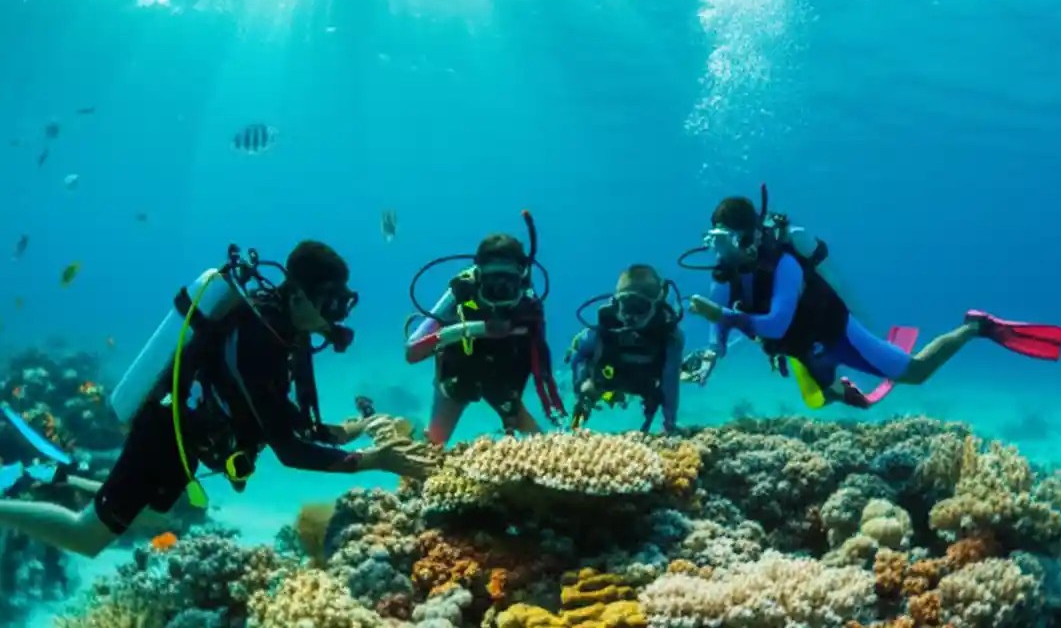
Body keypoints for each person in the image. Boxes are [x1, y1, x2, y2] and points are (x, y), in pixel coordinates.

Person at [0, 240, 431, 557]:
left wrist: (360, 428)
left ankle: (60, 478)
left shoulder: (290, 333)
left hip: (194, 441)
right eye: (329, 303)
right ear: (298, 294)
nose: (335, 315)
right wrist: (378, 460)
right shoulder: (261, 339)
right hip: (165, 436)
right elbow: (289, 450)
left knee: (156, 517)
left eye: (343, 303)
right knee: (87, 536)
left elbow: (299, 423)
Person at [679, 189, 1061, 408]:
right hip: (801, 349)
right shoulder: (723, 272)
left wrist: (725, 316)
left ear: (748, 237)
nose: (720, 251)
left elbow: (776, 321)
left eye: (727, 241)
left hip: (835, 333)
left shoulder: (784, 265)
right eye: (715, 241)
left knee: (916, 374)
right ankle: (840, 386)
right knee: (841, 401)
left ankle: (975, 326)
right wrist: (713, 353)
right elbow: (719, 325)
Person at [405, 219, 566, 446]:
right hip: (457, 373)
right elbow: (412, 351)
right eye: (492, 281)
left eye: (508, 282)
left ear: (521, 279)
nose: (500, 289)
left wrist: (552, 415)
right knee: (433, 445)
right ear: (479, 277)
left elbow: (541, 367)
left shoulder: (529, 304)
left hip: (503, 378)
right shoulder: (462, 291)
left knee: (539, 443)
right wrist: (476, 329)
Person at [566, 265, 686, 433]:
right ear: (616, 305)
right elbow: (580, 357)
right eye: (626, 308)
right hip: (608, 379)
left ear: (657, 304)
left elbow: (670, 380)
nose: (631, 317)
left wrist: (669, 421)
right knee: (588, 392)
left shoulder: (669, 335)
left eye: (640, 308)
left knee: (655, 400)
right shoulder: (605, 327)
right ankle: (574, 429)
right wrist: (580, 386)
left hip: (645, 385)